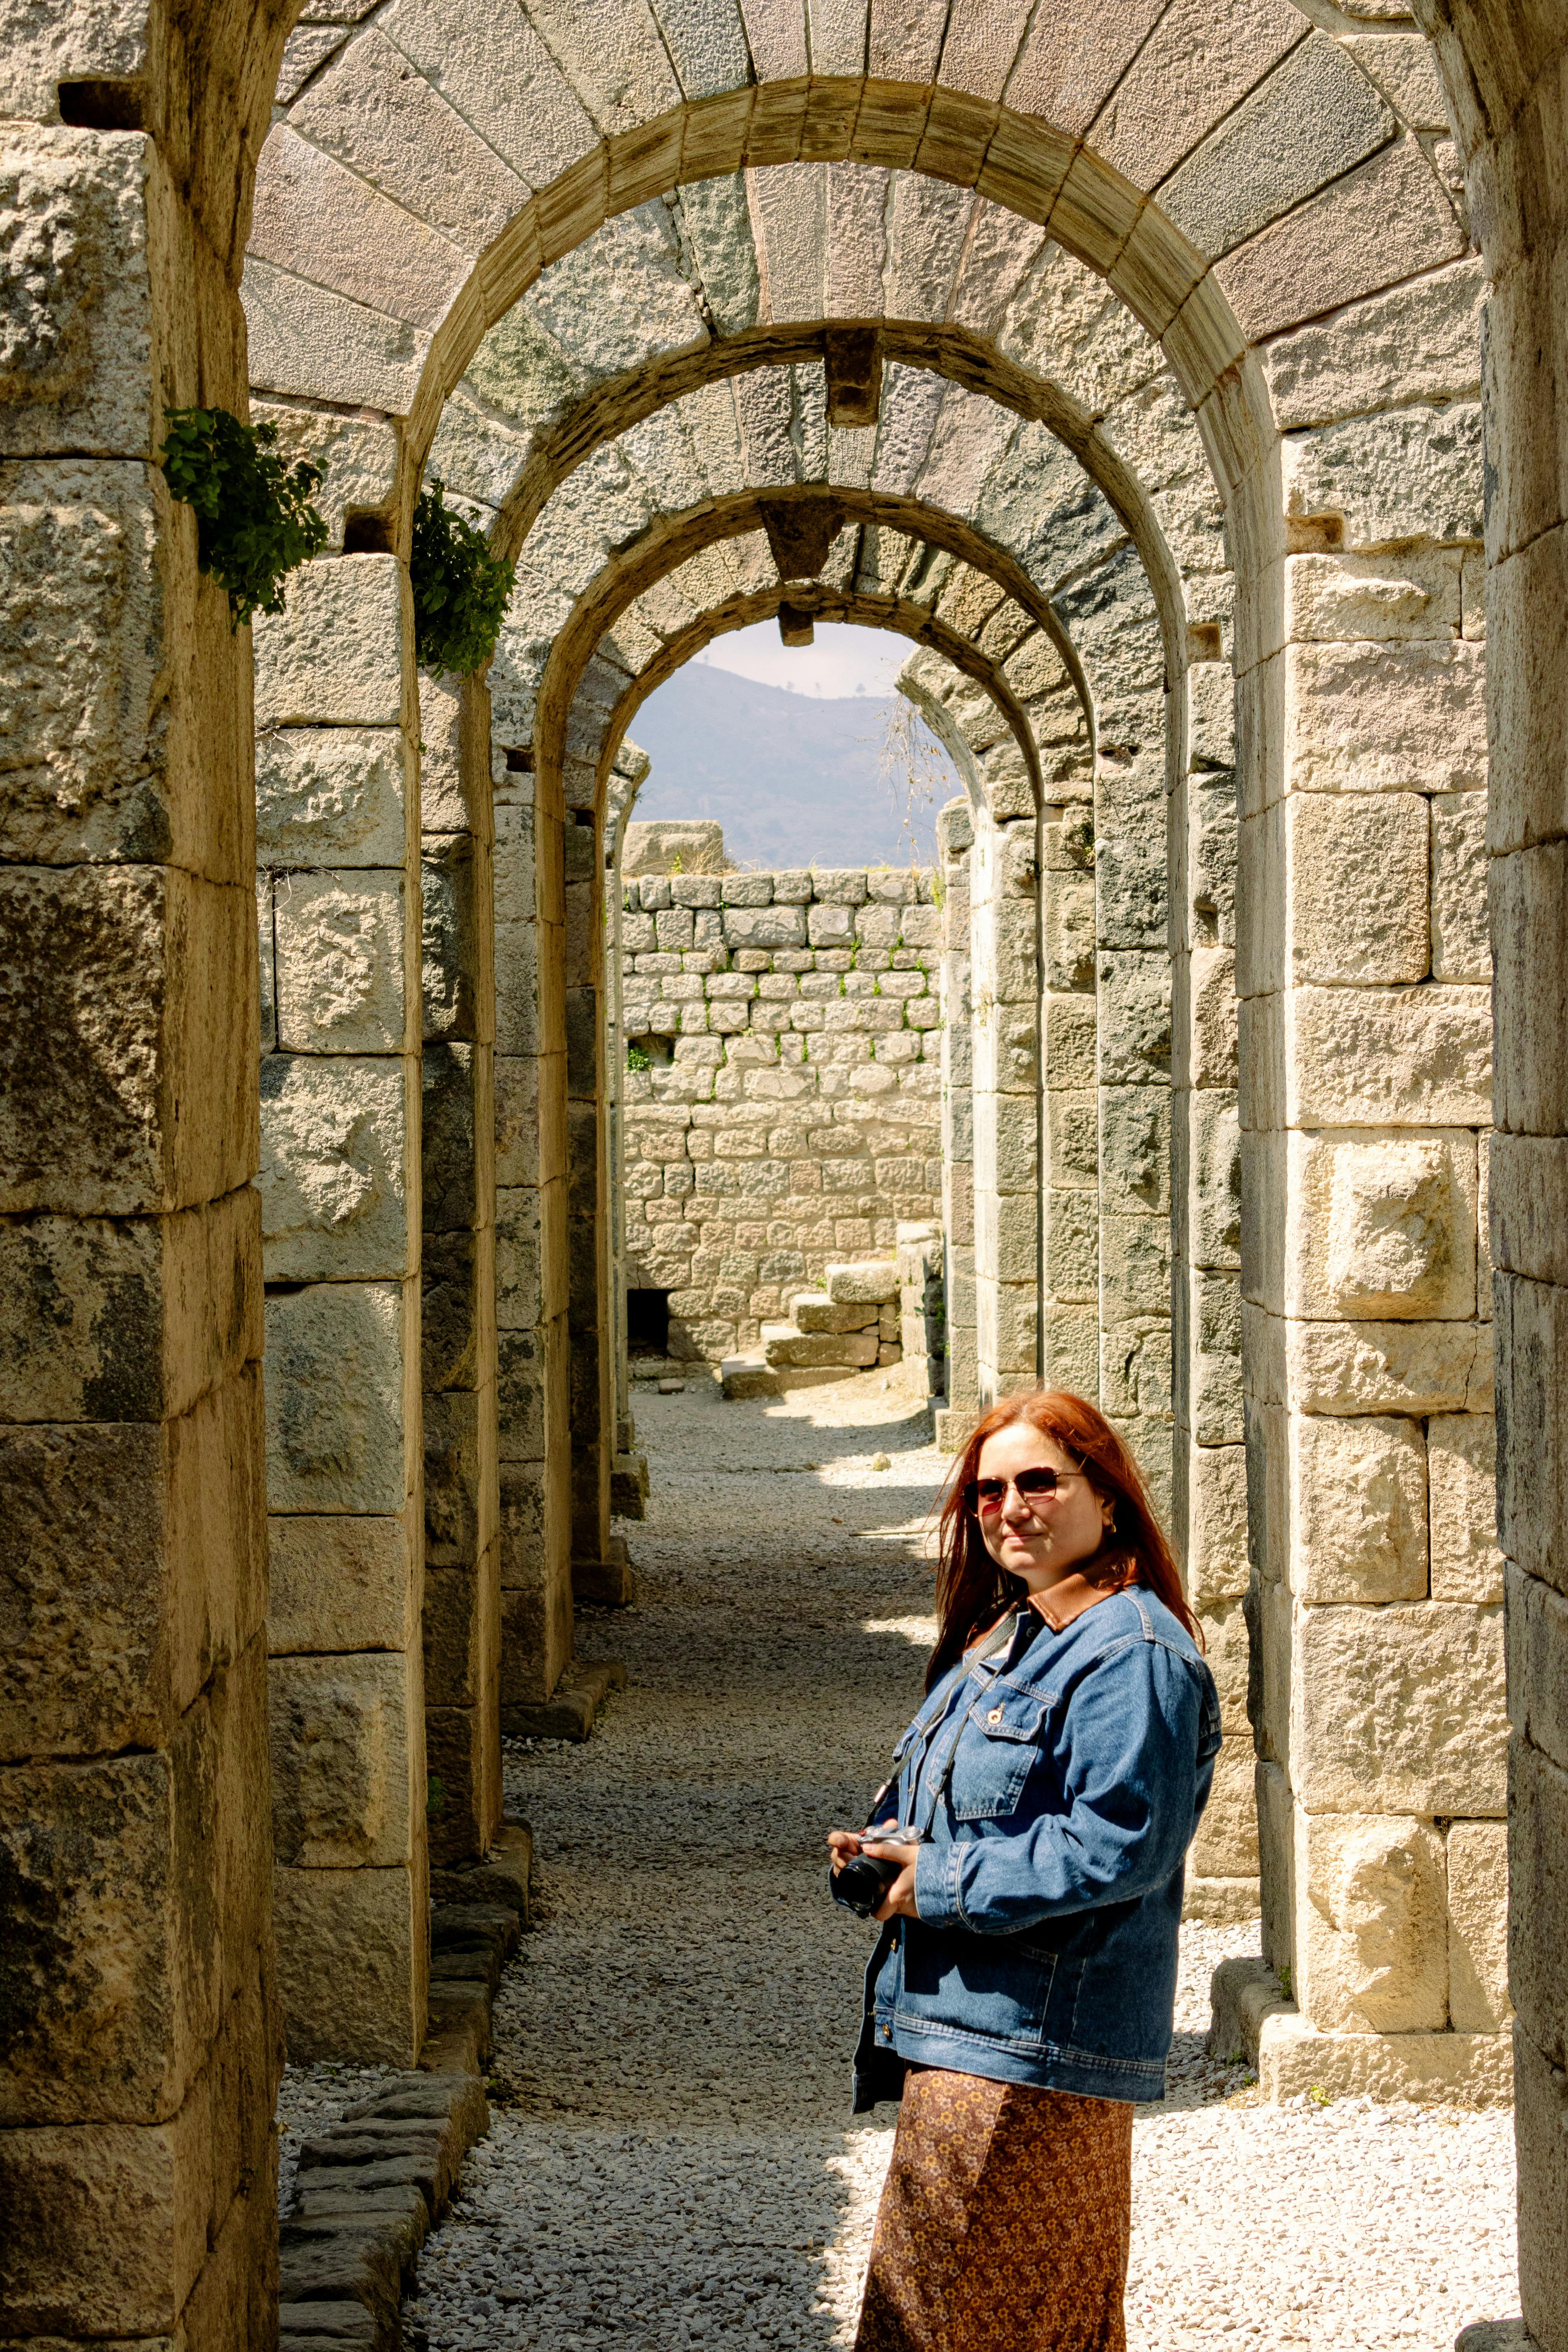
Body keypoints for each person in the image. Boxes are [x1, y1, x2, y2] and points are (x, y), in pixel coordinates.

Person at [828, 1388, 1221, 2352]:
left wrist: (940, 1882)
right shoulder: (1010, 1637)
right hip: (972, 2035)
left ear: (1109, 1497)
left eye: (1038, 1481)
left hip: (1031, 2054)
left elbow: (1119, 1845)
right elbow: (967, 1809)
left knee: (944, 2326)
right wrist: (887, 1854)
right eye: (987, 1490)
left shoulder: (1131, 1656)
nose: (1010, 1507)